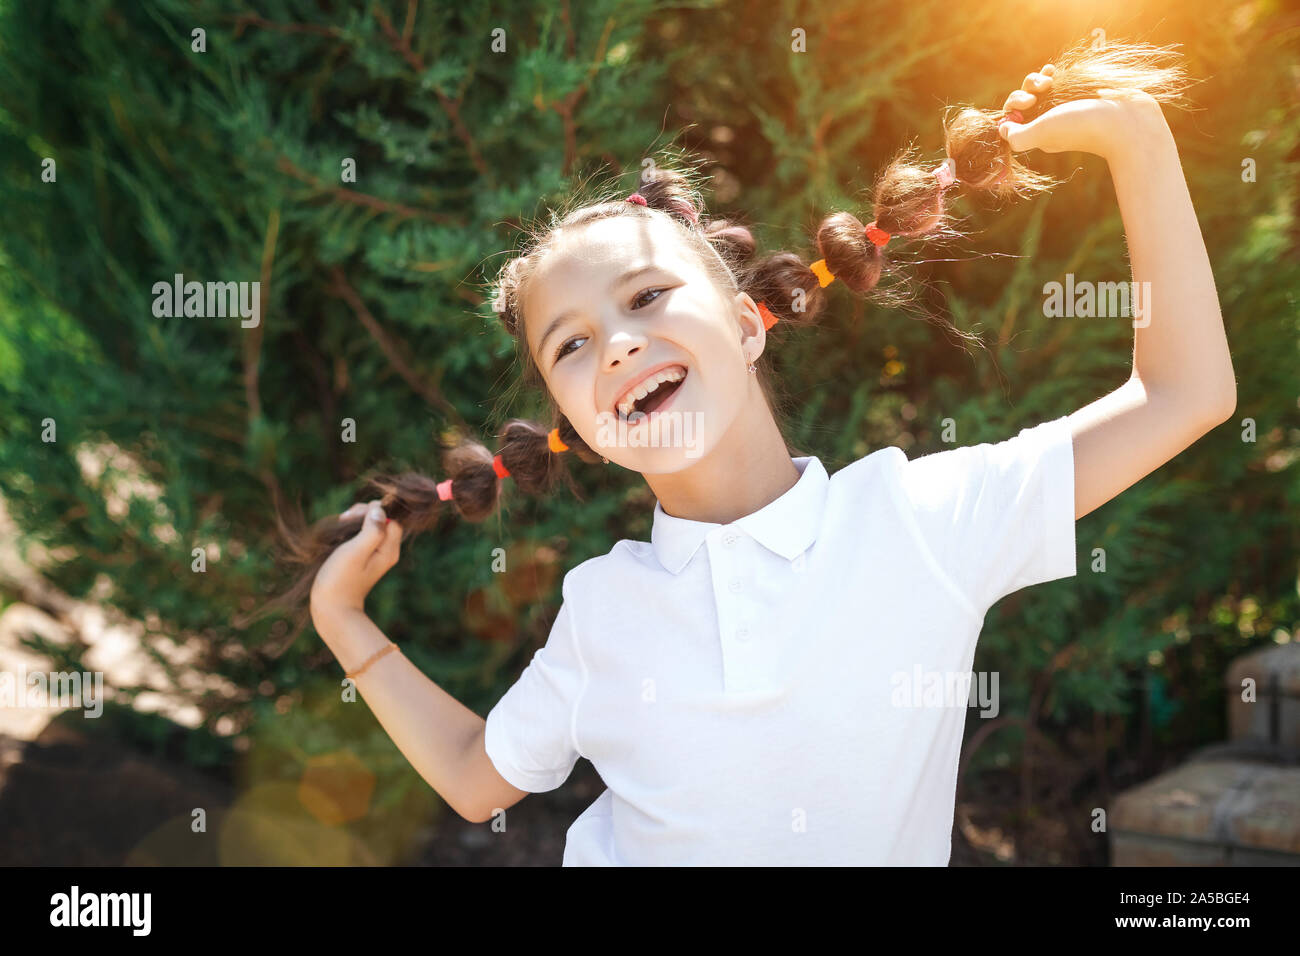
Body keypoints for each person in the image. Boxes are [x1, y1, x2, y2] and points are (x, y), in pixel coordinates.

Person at [284, 42, 1236, 864]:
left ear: (747, 325)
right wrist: (342, 620)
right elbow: (471, 777)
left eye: (647, 297)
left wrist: (1139, 146)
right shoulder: (601, 612)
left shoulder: (925, 522)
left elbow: (1184, 395)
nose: (615, 342)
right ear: (582, 431)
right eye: (570, 345)